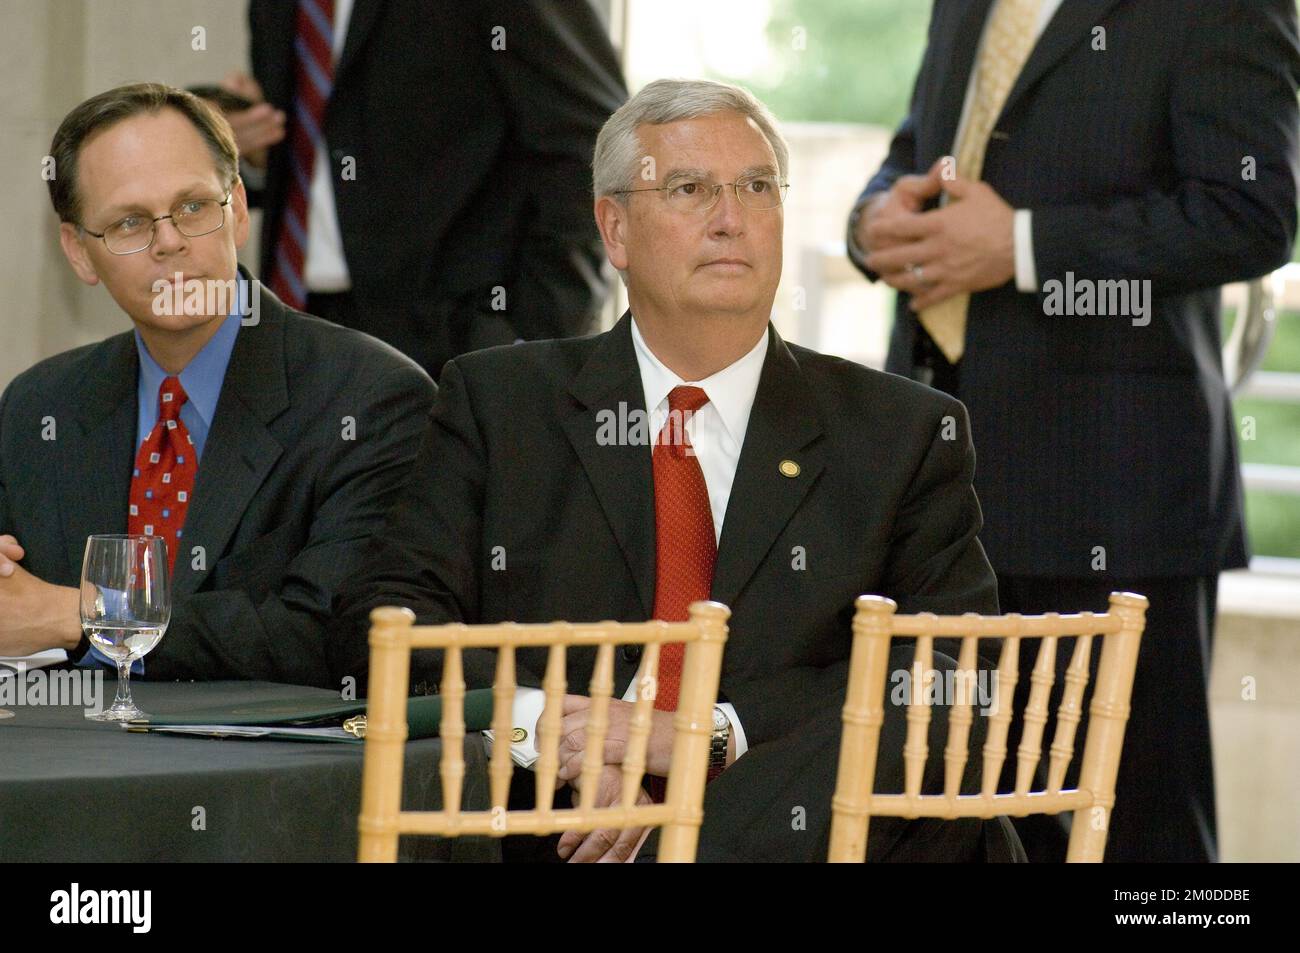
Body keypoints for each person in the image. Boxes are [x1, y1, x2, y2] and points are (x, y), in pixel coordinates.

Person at [329, 79, 1004, 862]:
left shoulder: (901, 429)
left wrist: (706, 734)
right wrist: (554, 732)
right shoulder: (500, 403)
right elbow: (386, 627)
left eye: (756, 186)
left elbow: (963, 673)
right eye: (689, 188)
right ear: (614, 229)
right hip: (562, 834)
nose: (731, 218)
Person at [847, 0, 1300, 861]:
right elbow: (921, 149)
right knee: (940, 825)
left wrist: (1022, 245)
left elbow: (1253, 214)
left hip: (1115, 496)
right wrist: (870, 220)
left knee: (1138, 835)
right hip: (933, 491)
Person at [0, 83, 435, 686]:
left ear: (235, 209)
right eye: (129, 223)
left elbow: (330, 635)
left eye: (193, 207)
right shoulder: (38, 407)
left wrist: (85, 617)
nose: (170, 242)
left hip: (267, 776)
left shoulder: (372, 398)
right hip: (70, 765)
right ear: (78, 252)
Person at [214, 0, 628, 379]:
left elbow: (596, 144)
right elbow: (321, 144)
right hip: (290, 328)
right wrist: (247, 155)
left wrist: (535, 344)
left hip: (456, 345)